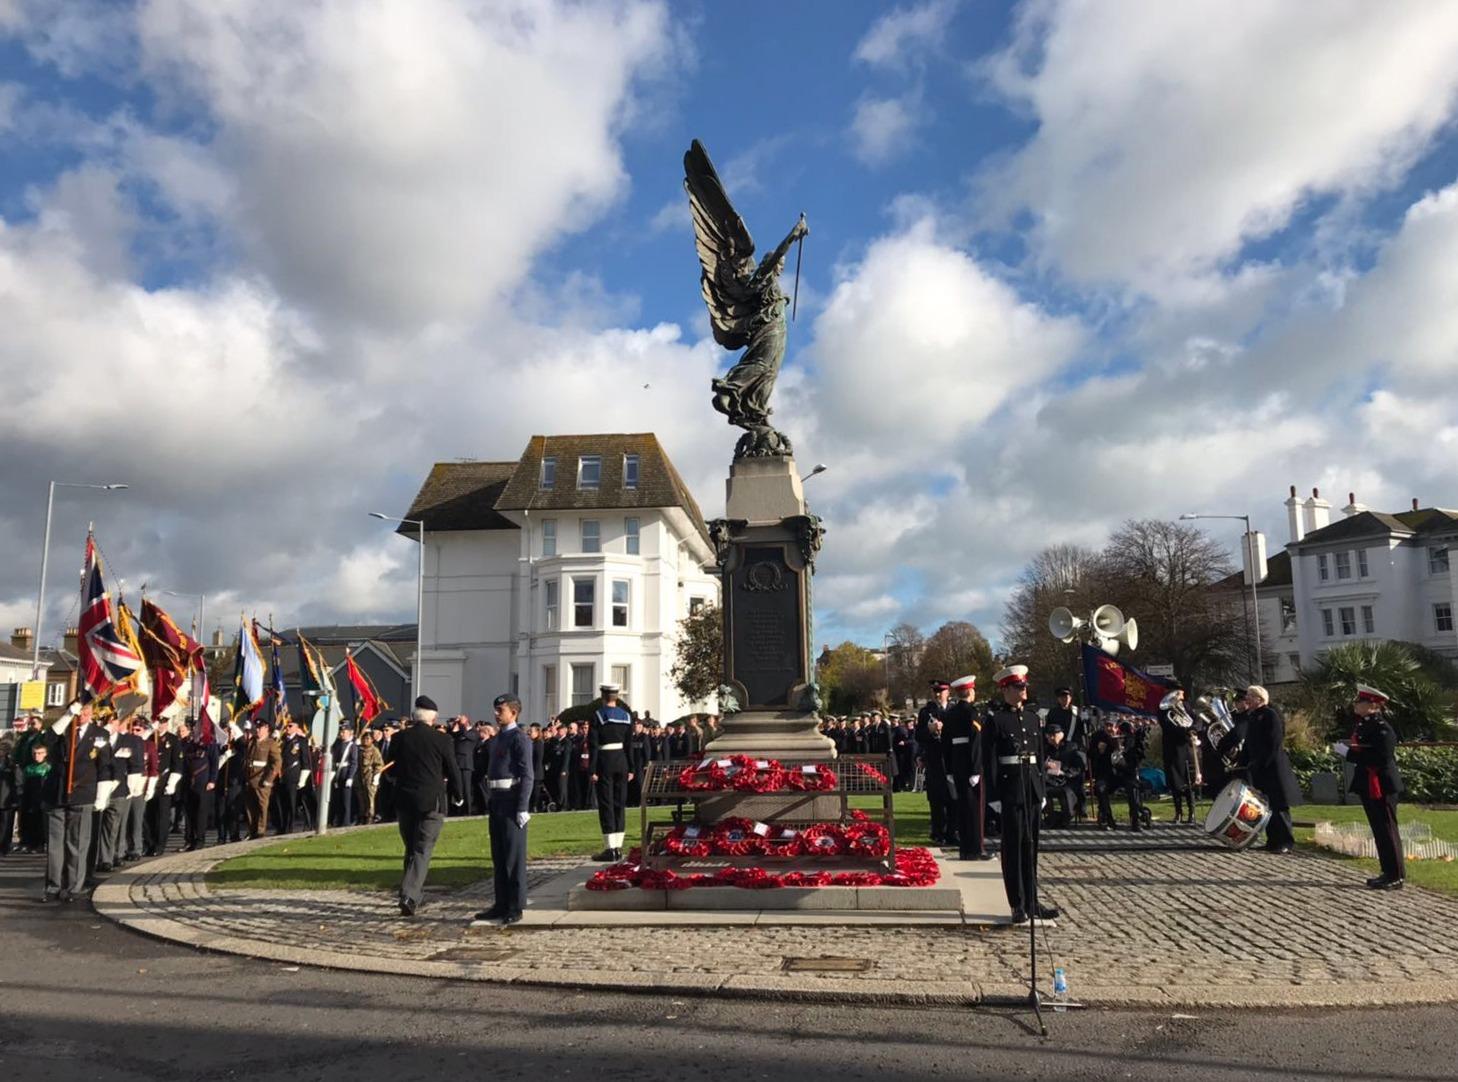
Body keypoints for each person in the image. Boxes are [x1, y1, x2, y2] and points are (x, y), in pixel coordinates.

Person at [984, 665, 1057, 926]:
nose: (1023, 691)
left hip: (1032, 787)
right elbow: (989, 760)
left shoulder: (1032, 718)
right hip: (1010, 788)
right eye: (1018, 687)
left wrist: (1042, 789)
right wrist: (993, 795)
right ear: (1005, 690)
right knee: (1013, 848)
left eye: (1024, 686)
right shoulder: (995, 720)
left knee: (1031, 845)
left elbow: (1039, 756)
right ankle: (1017, 903)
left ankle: (1032, 900)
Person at [388, 696, 463, 917]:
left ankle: (409, 891)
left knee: (412, 847)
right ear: (433, 718)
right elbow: (452, 769)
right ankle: (409, 895)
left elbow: (391, 768)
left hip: (405, 800)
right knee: (423, 848)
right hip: (431, 801)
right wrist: (458, 794)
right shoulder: (442, 739)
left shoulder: (399, 738)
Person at [1337, 684, 1405, 890]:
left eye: (1361, 702)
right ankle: (1387, 871)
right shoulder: (1365, 724)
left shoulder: (1383, 728)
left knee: (1387, 829)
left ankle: (1396, 875)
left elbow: (1381, 757)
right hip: (1368, 782)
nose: (1356, 705)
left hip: (1382, 783)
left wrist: (1348, 754)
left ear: (1373, 706)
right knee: (1378, 829)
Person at [43, 702, 113, 902]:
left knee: (77, 843)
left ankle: (73, 886)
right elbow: (47, 740)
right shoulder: (62, 729)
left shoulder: (100, 734)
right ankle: (53, 886)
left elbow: (104, 765)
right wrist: (67, 717)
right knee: (55, 845)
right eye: (79, 711)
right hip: (57, 794)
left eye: (85, 711)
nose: (81, 714)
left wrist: (102, 794)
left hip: (83, 793)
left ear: (91, 713)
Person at [475, 693, 534, 925]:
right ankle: (501, 903)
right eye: (496, 710)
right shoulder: (498, 738)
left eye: (501, 710)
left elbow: (527, 774)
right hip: (497, 799)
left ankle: (515, 905)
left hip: (511, 800)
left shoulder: (519, 738)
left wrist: (522, 806)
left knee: (513, 857)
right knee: (499, 856)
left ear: (514, 712)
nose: (496, 714)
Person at [1239, 686, 1302, 853]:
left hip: (1272, 767)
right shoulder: (1253, 716)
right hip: (1260, 768)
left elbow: (1274, 743)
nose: (1247, 699)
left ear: (1260, 699)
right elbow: (1249, 743)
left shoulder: (1270, 715)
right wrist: (1242, 762)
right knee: (1267, 806)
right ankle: (1272, 840)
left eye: (1250, 696)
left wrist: (1260, 763)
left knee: (1279, 805)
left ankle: (1285, 841)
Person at [941, 675, 989, 861]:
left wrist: (949, 769)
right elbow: (975, 742)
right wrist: (976, 769)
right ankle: (976, 848)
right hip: (970, 765)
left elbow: (945, 743)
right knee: (976, 810)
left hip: (956, 763)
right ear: (970, 692)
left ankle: (965, 848)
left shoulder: (950, 714)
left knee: (962, 807)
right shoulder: (972, 713)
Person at [590, 684, 633, 861]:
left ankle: (610, 848)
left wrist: (592, 769)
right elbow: (629, 745)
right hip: (622, 760)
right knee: (619, 803)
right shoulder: (626, 716)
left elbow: (593, 745)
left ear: (603, 696)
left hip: (605, 760)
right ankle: (619, 846)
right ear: (616, 696)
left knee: (606, 803)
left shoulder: (598, 715)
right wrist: (631, 767)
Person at [916, 681, 956, 846]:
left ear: (948, 692)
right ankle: (938, 832)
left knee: (953, 797)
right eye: (935, 691)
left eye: (941, 691)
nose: (938, 694)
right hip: (934, 760)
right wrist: (929, 729)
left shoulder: (954, 709)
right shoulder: (926, 712)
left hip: (952, 759)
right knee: (936, 798)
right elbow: (918, 736)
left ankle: (953, 832)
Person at [1159, 689, 1200, 824]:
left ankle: (1192, 812)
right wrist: (1186, 730)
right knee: (1175, 780)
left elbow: (1196, 720)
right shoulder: (1163, 709)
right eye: (1180, 694)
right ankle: (1178, 812)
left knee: (1189, 779)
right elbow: (1168, 726)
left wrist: (1193, 729)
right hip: (1172, 749)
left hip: (1186, 748)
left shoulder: (1186, 706)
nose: (1182, 697)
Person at [178, 719, 218, 850]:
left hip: (203, 782)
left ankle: (200, 840)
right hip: (188, 782)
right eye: (195, 727)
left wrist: (212, 780)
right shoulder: (188, 743)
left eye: (200, 727)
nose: (197, 730)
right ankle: (189, 840)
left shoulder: (209, 743)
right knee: (189, 813)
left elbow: (214, 762)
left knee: (201, 813)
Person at [242, 718, 282, 839]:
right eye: (257, 728)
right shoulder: (252, 741)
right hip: (250, 778)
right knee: (250, 807)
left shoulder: (271, 743)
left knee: (261, 806)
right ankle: (252, 830)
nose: (258, 730)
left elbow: (277, 762)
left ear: (266, 729)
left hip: (261, 779)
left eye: (260, 728)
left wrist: (269, 779)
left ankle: (260, 830)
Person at [1042, 723, 1086, 826]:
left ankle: (1063, 817)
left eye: (1053, 735)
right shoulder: (1046, 749)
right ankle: (1051, 817)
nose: (1051, 738)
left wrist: (1064, 772)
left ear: (1061, 735)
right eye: (1049, 735)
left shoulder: (1072, 747)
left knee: (1066, 793)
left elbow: (1079, 768)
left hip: (1067, 781)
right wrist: (1045, 765)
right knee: (1042, 790)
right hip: (1050, 780)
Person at [1088, 715, 1123, 830]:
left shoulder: (1123, 736)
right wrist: (1098, 750)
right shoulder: (1098, 736)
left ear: (1116, 727)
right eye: (1106, 725)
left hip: (1122, 773)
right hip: (1104, 773)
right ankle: (1108, 818)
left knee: (1133, 786)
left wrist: (1121, 748)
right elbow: (1090, 754)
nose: (1109, 728)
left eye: (1111, 726)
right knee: (1100, 788)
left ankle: (1136, 817)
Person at [278, 718, 310, 834]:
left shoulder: (301, 741)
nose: (287, 728)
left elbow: (305, 760)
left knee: (292, 803)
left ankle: (291, 826)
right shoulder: (282, 741)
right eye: (286, 726)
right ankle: (283, 826)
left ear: (296, 727)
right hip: (282, 775)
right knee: (283, 803)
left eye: (290, 726)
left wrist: (303, 778)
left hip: (294, 775)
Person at [20, 739, 52, 852]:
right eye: (34, 753)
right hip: (29, 797)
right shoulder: (29, 768)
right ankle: (29, 843)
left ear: (45, 754)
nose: (36, 756)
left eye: (39, 753)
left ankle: (40, 844)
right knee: (29, 820)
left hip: (42, 796)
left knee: (40, 822)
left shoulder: (48, 767)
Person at [331, 723, 359, 827]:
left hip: (346, 773)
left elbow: (354, 762)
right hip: (338, 774)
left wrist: (350, 777)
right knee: (338, 799)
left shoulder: (352, 746)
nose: (341, 734)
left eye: (344, 732)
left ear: (349, 733)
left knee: (346, 800)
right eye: (341, 732)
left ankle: (346, 821)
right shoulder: (337, 745)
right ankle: (339, 820)